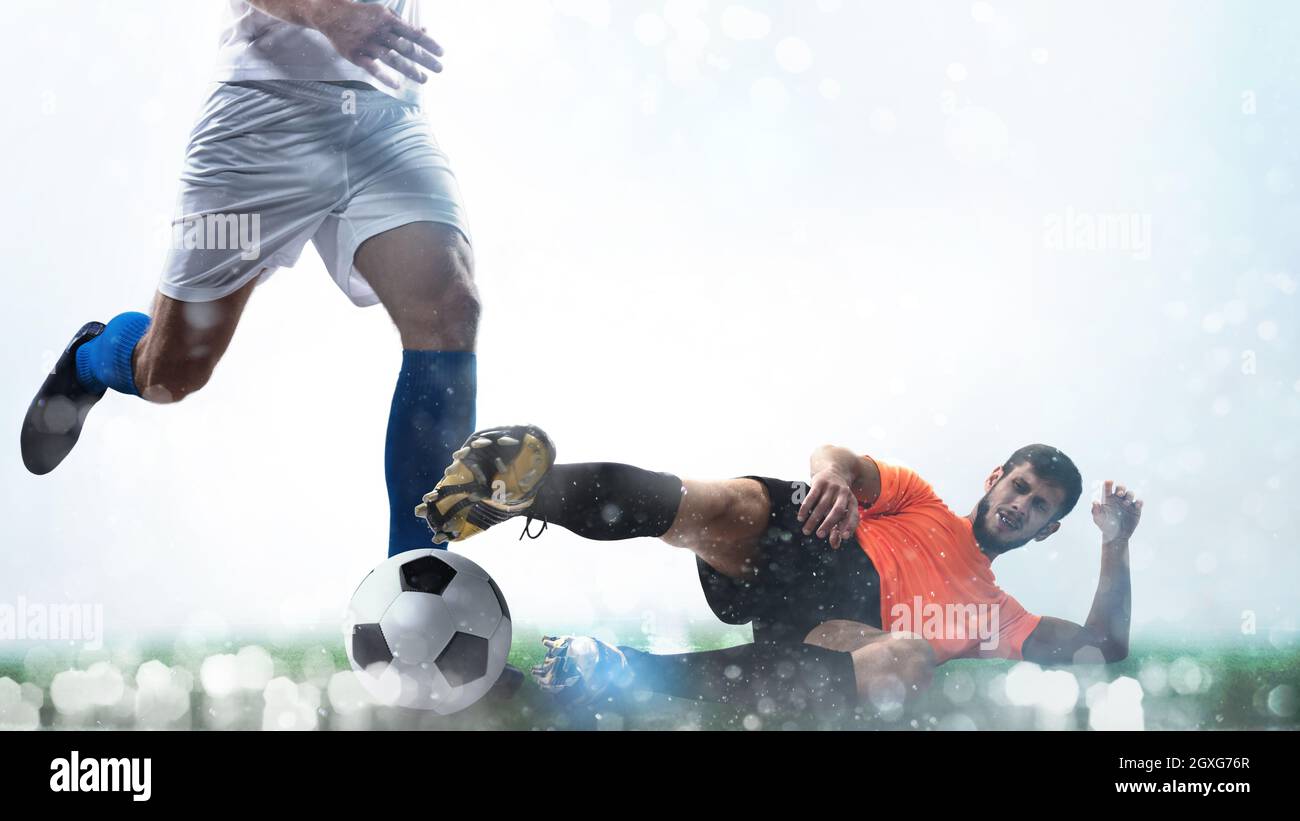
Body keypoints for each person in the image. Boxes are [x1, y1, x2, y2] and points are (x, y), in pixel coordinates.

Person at [20, 0, 478, 558]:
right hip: (260, 115)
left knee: (449, 309)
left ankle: (421, 585)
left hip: (386, 115)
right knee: (172, 375)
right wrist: (322, 11)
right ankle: (93, 357)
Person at [416, 425, 1142, 719]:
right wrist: (829, 475)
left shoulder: (997, 614)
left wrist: (1115, 543)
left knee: (909, 657)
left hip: (822, 633)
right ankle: (507, 492)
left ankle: (611, 672)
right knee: (719, 502)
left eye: (1039, 506)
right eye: (1019, 487)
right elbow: (845, 460)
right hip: (816, 543)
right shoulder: (919, 499)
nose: (1021, 505)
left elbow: (1103, 646)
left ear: (1049, 531)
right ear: (996, 478)